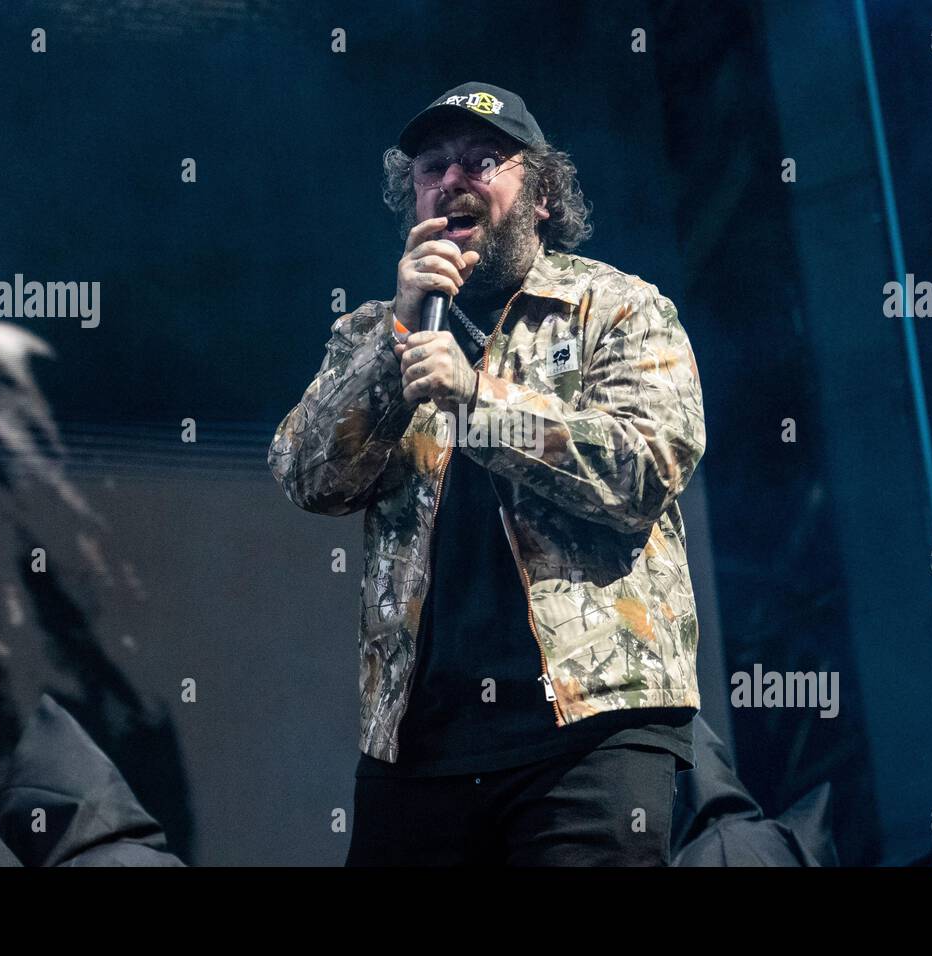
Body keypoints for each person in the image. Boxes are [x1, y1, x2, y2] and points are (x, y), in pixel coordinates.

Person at [269, 82, 708, 865]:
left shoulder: (616, 308)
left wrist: (480, 401)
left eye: (483, 159)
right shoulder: (376, 330)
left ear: (541, 195)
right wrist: (396, 336)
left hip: (588, 730)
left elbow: (646, 465)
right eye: (432, 166)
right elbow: (308, 477)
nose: (452, 179)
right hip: (420, 744)